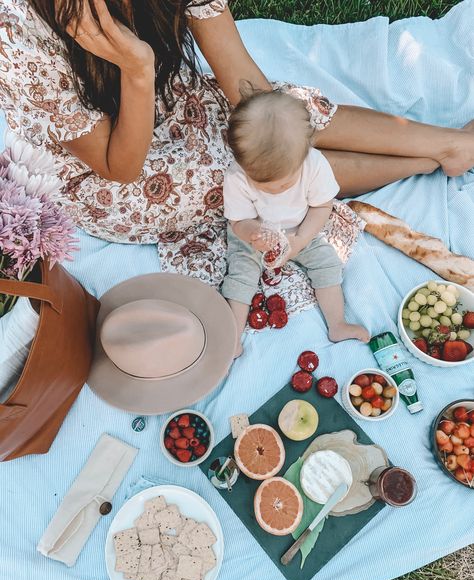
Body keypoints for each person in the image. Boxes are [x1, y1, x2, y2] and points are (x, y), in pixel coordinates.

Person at [0, 0, 473, 299]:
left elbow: (242, 78)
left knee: (280, 114)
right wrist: (139, 70)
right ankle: (428, 161)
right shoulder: (16, 30)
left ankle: (450, 147)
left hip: (173, 101)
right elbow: (119, 165)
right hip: (105, 175)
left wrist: (272, 129)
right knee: (232, 176)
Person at [222, 89, 369, 355]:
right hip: (255, 233)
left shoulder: (313, 165)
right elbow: (238, 221)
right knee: (241, 272)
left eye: (285, 183)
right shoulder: (237, 176)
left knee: (327, 262)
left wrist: (301, 239)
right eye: (263, 184)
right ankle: (231, 338)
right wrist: (253, 232)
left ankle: (337, 323)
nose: (276, 191)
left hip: (301, 227)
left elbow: (322, 206)